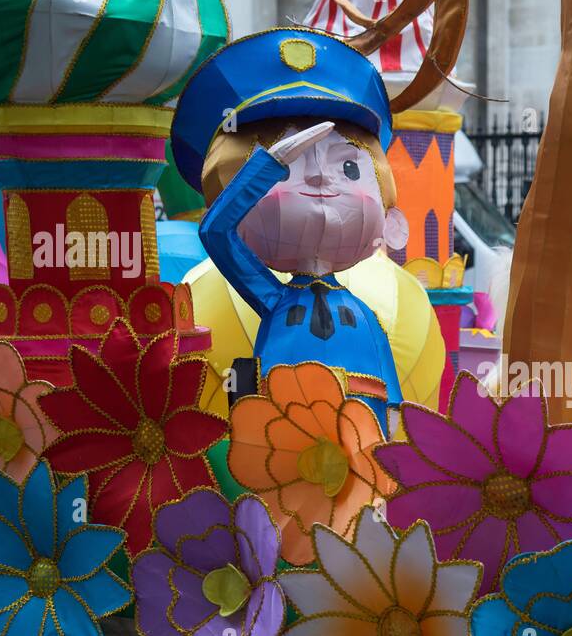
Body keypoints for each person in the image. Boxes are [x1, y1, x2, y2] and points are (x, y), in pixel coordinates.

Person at [171, 28, 409, 431]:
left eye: (348, 167)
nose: (319, 178)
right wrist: (268, 167)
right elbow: (216, 232)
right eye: (298, 165)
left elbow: (392, 400)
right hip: (284, 435)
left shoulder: (364, 316)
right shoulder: (273, 298)